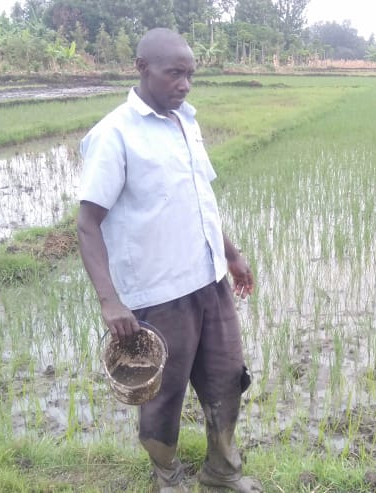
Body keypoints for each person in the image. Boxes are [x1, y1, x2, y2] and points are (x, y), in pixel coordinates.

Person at [76, 27, 262, 493]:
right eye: (174, 73)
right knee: (162, 396)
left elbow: (200, 201)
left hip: (210, 281)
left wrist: (232, 255)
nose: (184, 84)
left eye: (190, 75)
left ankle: (222, 472)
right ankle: (169, 478)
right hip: (160, 295)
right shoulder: (113, 135)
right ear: (141, 69)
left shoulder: (187, 122)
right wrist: (110, 302)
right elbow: (87, 224)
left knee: (226, 379)